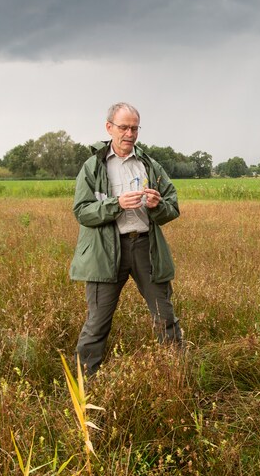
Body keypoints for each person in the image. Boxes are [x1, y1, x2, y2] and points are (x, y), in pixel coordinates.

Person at [70, 102, 183, 375]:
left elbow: (173, 207)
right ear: (109, 128)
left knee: (165, 316)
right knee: (97, 322)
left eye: (134, 128)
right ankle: (85, 383)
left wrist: (158, 206)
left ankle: (175, 376)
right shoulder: (93, 166)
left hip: (146, 248)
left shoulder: (149, 165)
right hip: (107, 251)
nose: (129, 133)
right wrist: (116, 204)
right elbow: (82, 212)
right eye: (123, 127)